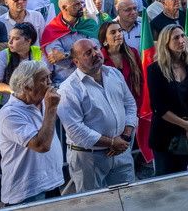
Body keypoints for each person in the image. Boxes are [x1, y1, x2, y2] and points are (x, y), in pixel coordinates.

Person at [56, 39, 138, 192]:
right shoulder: (68, 89)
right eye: (88, 53)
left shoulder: (113, 73)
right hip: (89, 159)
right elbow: (76, 129)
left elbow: (130, 105)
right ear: (76, 61)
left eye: (95, 48)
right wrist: (112, 142)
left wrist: (125, 137)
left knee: (128, 197)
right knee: (93, 204)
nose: (95, 53)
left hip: (121, 152)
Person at [0, 60, 64, 205]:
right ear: (26, 87)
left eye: (49, 77)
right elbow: (41, 146)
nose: (50, 83)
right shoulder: (9, 114)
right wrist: (51, 109)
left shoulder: (42, 102)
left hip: (52, 182)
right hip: (27, 192)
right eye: (44, 79)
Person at [146, 25, 188, 175]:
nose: (181, 40)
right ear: (165, 43)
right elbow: (159, 107)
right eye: (176, 38)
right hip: (165, 134)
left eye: (182, 36)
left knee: (185, 176)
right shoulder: (155, 69)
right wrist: (186, 125)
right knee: (164, 177)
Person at [41, 0, 100, 84]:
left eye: (81, 3)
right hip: (66, 81)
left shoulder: (88, 24)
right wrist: (84, 54)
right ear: (64, 8)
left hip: (92, 77)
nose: (81, 7)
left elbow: (96, 48)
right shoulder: (52, 30)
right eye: (77, 4)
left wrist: (67, 55)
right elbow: (61, 62)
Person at [0, 22, 43, 94]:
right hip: (8, 102)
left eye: (16, 39)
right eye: (9, 37)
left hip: (35, 99)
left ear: (28, 41)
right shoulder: (2, 55)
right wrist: (16, 91)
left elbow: (46, 77)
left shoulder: (40, 52)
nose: (10, 42)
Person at [99, 20, 143, 108]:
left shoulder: (132, 52)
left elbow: (141, 80)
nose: (118, 34)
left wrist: (137, 105)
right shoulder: (99, 58)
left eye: (120, 31)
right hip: (110, 107)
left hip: (133, 105)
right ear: (104, 39)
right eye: (113, 32)